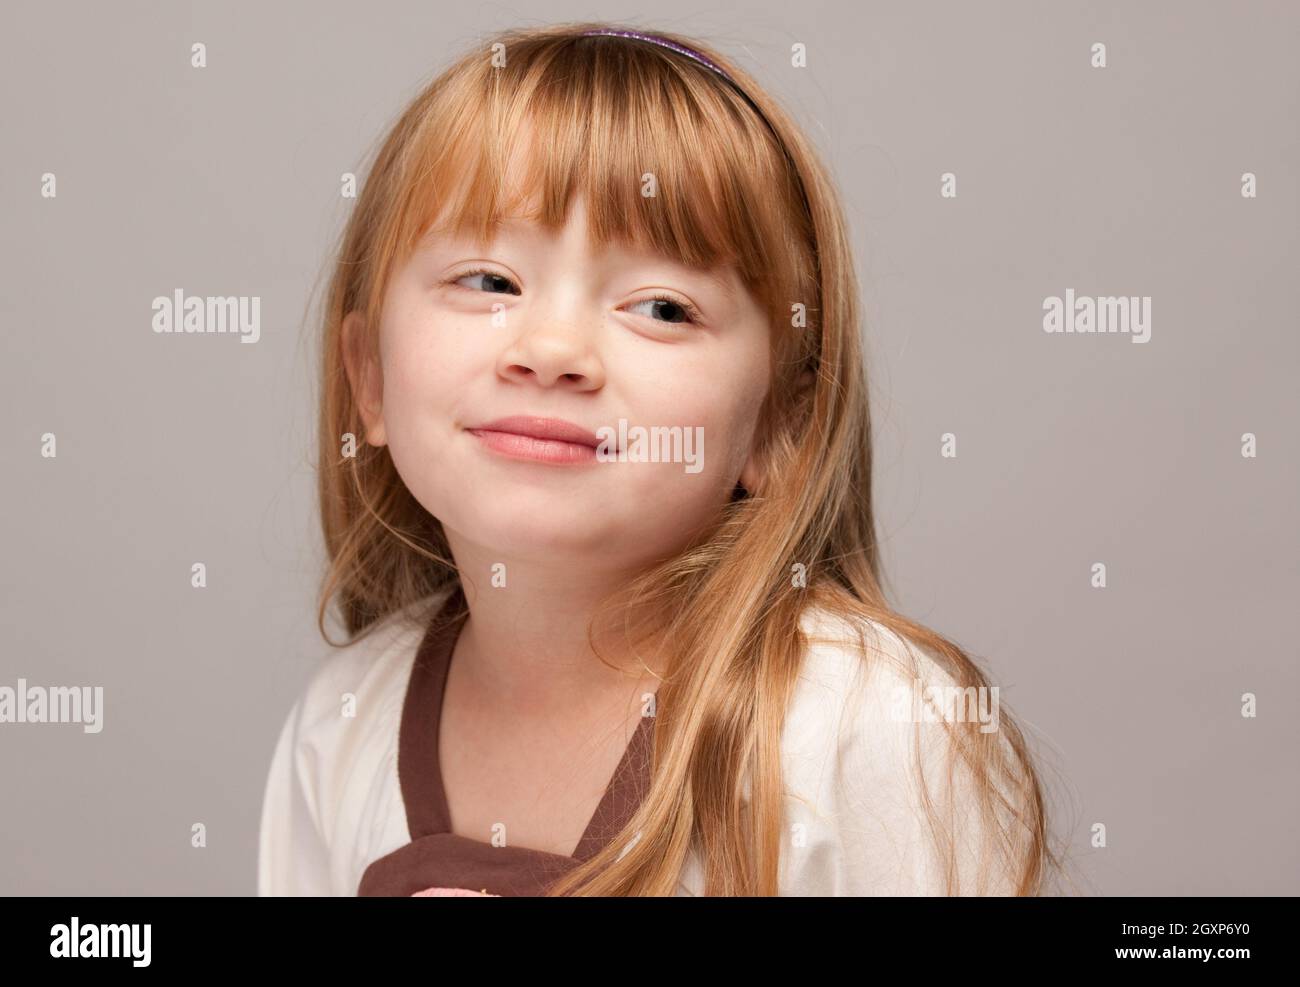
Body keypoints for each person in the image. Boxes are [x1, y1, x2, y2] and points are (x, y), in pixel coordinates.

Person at [258, 22, 1057, 896]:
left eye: (663, 308)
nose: (552, 347)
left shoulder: (867, 728)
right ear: (369, 379)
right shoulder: (341, 728)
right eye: (488, 282)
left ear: (780, 425)